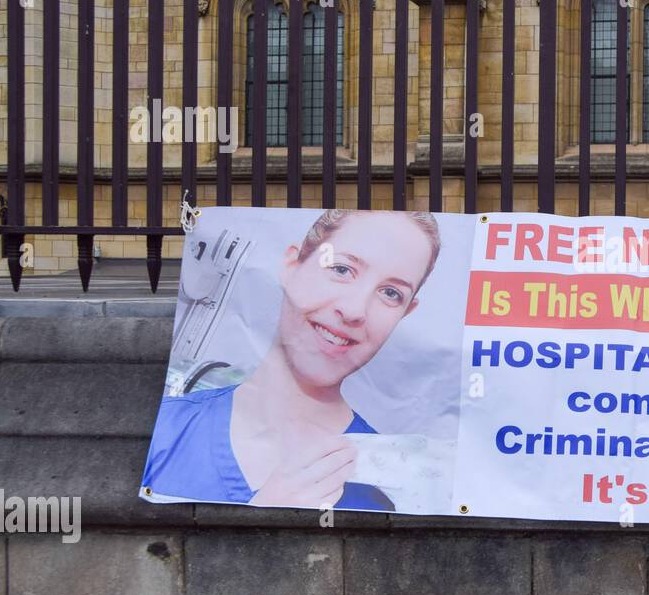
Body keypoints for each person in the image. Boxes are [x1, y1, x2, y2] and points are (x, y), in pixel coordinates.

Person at [142, 209, 442, 512]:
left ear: (405, 312)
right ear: (291, 265)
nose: (354, 310)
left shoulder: (392, 485)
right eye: (341, 269)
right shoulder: (174, 425)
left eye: (391, 293)